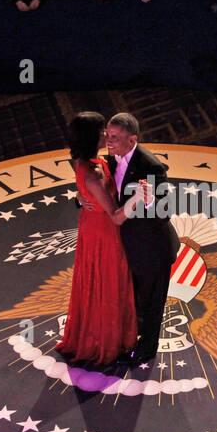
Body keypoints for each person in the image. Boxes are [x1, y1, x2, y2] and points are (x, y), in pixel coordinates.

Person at [55, 112, 146, 367]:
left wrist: (80, 198)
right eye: (103, 131)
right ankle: (105, 341)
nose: (107, 134)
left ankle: (108, 334)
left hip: (93, 225)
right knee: (107, 283)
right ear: (92, 135)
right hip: (104, 234)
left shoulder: (87, 161)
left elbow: (86, 188)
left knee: (100, 282)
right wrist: (139, 196)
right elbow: (117, 217)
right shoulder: (92, 172)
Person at [105, 113, 180, 366]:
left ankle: (145, 350)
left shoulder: (151, 167)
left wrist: (148, 200)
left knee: (151, 304)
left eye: (115, 137)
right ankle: (128, 339)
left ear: (132, 139)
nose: (108, 141)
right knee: (133, 298)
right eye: (107, 134)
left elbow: (165, 212)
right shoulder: (111, 159)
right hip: (129, 246)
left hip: (153, 249)